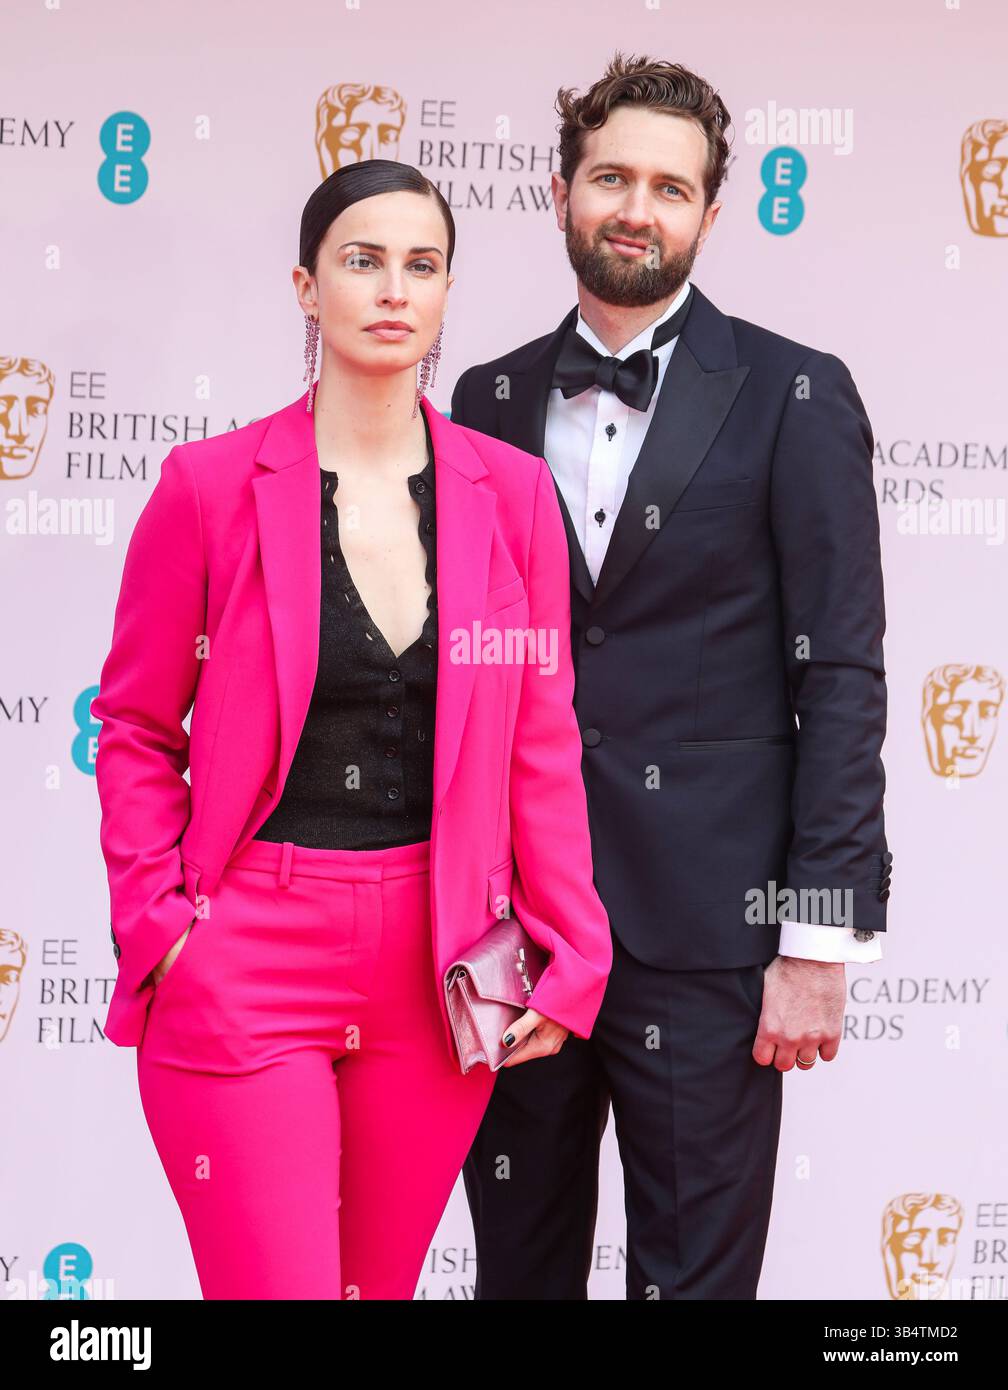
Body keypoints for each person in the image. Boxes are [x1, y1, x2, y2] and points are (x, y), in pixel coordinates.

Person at [91, 158, 612, 1300]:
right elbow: (132, 722)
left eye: (421, 266)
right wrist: (164, 927)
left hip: (435, 970)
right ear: (305, 285)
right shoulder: (210, 486)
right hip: (246, 952)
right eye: (362, 260)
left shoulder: (513, 496)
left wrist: (572, 954)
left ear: (445, 293)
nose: (393, 290)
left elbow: (540, 736)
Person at [451, 52, 892, 1300]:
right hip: (511, 933)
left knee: (693, 1284)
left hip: (713, 939)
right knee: (514, 1275)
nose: (635, 206)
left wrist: (818, 942)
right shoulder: (484, 401)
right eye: (610, 178)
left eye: (668, 185)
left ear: (708, 210)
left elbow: (845, 674)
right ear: (558, 193)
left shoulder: (794, 392)